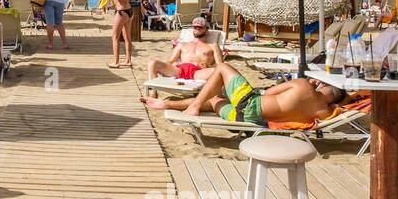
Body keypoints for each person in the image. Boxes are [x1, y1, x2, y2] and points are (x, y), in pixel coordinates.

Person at [143, 62, 346, 125]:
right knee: (214, 100)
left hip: (251, 105)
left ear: (324, 86)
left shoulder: (303, 85)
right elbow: (336, 109)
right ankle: (167, 104)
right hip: (245, 119)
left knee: (222, 67)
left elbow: (269, 91)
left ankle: (194, 107)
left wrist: (310, 84)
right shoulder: (324, 113)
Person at [148, 16, 221, 82]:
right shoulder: (182, 45)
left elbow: (220, 65)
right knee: (153, 63)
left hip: (199, 72)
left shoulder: (213, 46)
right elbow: (170, 61)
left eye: (200, 27)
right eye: (195, 27)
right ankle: (153, 93)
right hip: (179, 70)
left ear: (206, 30)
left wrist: (209, 66)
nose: (197, 29)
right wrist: (174, 64)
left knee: (216, 71)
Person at [107, 0, 133, 67]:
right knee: (127, 37)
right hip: (128, 11)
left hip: (121, 12)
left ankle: (116, 62)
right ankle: (128, 60)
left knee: (115, 36)